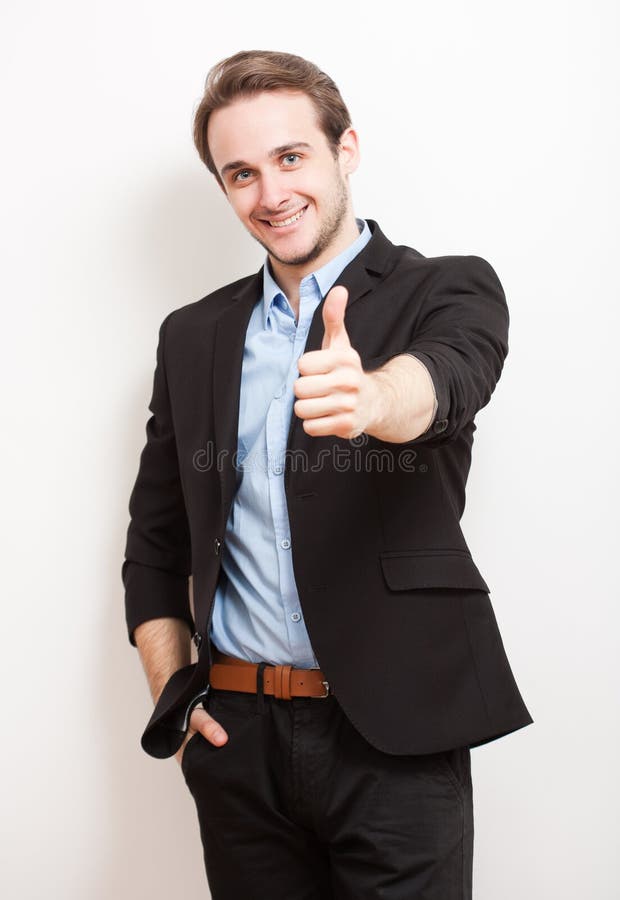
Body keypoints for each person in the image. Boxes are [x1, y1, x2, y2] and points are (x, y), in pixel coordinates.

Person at [122, 49, 533, 900]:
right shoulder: (192, 336)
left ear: (345, 149)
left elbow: (448, 381)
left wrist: (373, 396)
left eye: (290, 157)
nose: (270, 194)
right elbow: (155, 544)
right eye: (241, 173)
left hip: (395, 742)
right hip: (239, 744)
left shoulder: (446, 288)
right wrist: (176, 697)